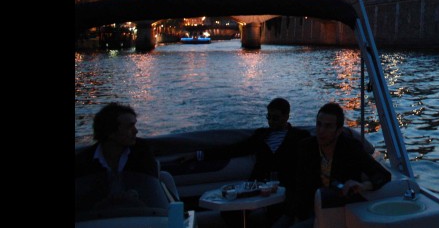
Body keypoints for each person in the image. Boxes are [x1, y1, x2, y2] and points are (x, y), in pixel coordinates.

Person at [181, 97, 311, 227]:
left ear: (286, 116)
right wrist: (199, 154)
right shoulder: (261, 135)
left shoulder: (300, 137)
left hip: (285, 188)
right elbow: (236, 149)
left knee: (279, 213)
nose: (271, 121)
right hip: (257, 186)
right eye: (268, 117)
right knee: (230, 213)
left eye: (275, 118)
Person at [284, 102, 391, 227]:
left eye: (328, 126)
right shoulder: (306, 147)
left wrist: (363, 185)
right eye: (319, 124)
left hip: (342, 210)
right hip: (310, 210)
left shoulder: (351, 148)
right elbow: (296, 184)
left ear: (339, 130)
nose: (321, 131)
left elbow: (383, 175)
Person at [75, 102, 168, 213]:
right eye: (129, 127)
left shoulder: (142, 152)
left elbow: (149, 193)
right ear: (110, 132)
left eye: (135, 125)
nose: (136, 131)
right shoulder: (84, 161)